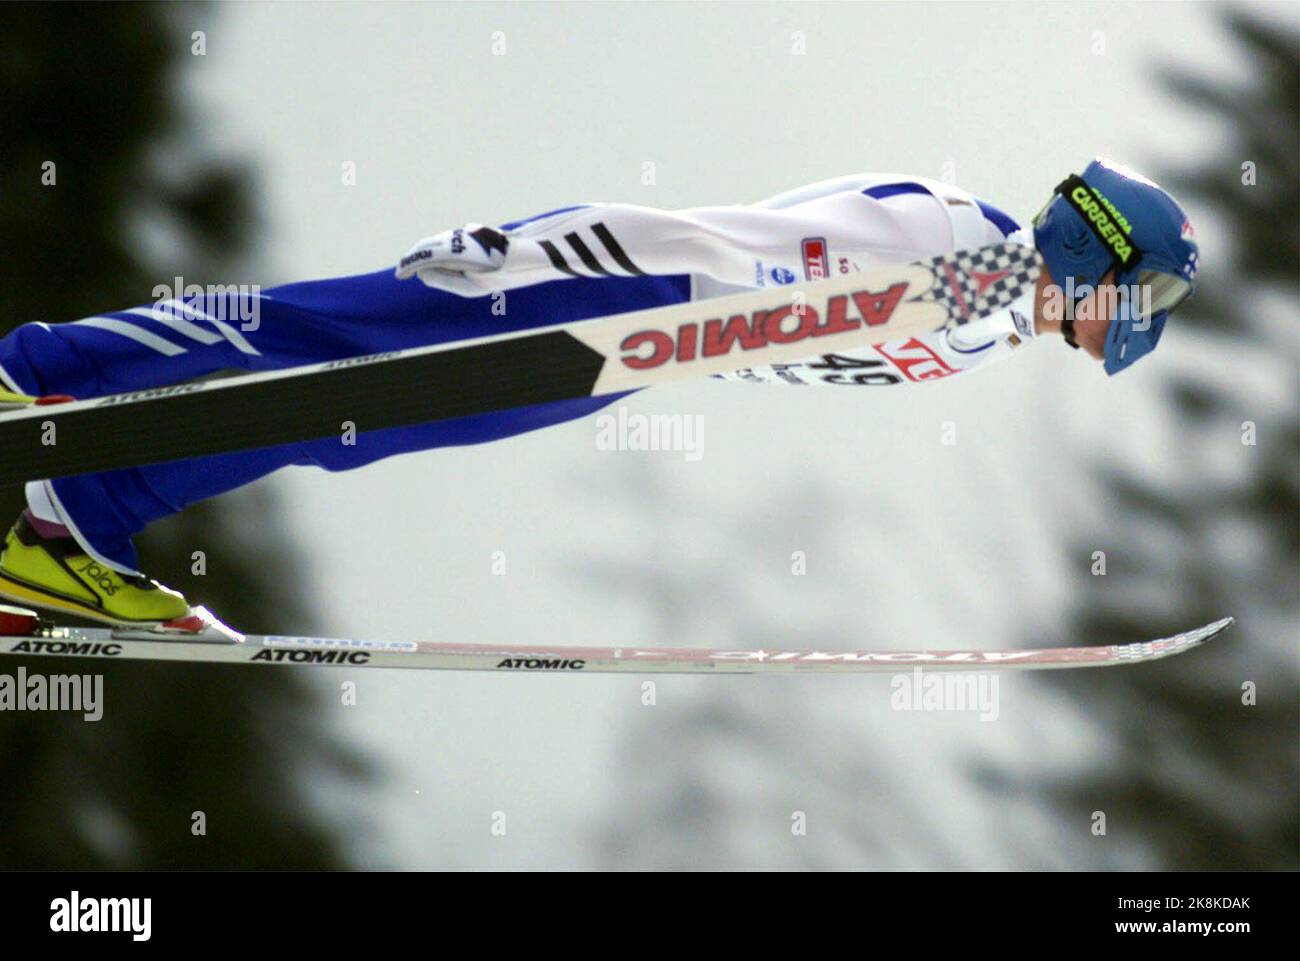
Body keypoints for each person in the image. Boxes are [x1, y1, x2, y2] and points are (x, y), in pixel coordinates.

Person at [0, 158, 1199, 629]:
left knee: (329, 423)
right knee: (321, 337)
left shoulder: (979, 335)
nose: (1127, 330)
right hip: (604, 293)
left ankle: (72, 523)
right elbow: (719, 238)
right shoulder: (941, 230)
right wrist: (534, 245)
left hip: (621, 367)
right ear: (1099, 253)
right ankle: (42, 370)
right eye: (1136, 297)